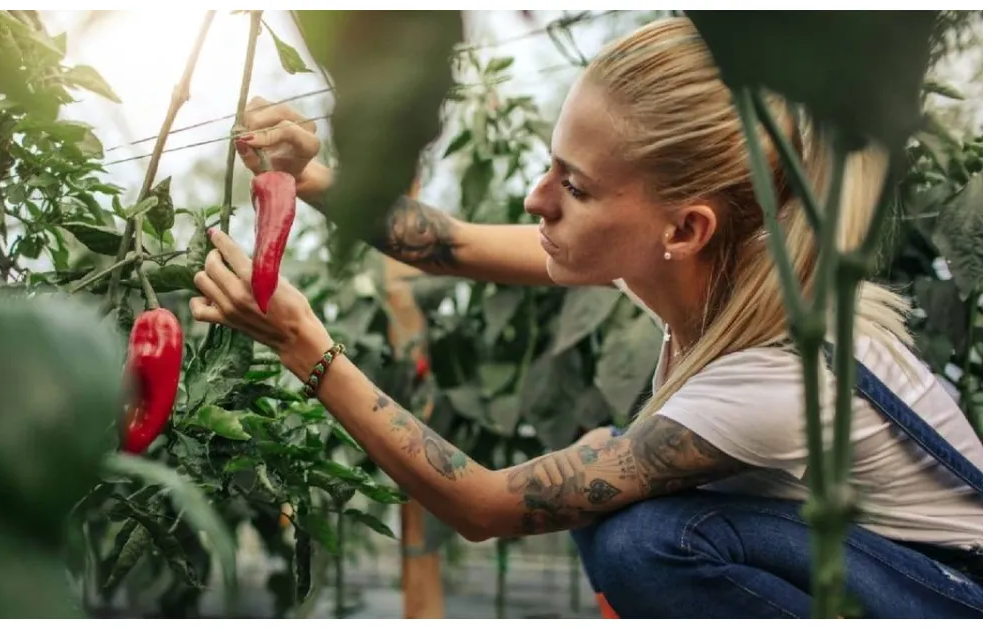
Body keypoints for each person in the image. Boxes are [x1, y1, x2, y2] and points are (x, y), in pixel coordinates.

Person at [188, 17, 983, 618]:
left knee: (645, 539)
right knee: (612, 506)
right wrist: (312, 173)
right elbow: (449, 246)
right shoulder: (704, 272)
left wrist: (306, 347)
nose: (537, 199)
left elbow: (487, 504)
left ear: (685, 229)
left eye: (574, 185)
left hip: (953, 594)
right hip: (885, 571)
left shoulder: (770, 378)